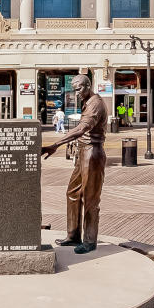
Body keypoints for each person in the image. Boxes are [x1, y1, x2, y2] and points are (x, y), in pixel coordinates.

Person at [41, 74, 107, 255]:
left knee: (91, 199)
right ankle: (73, 235)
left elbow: (81, 129)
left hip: (93, 153)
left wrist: (56, 144)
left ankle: (89, 241)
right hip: (83, 153)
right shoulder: (87, 101)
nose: (76, 93)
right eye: (74, 89)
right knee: (73, 193)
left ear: (88, 85)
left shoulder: (95, 103)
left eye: (79, 89)